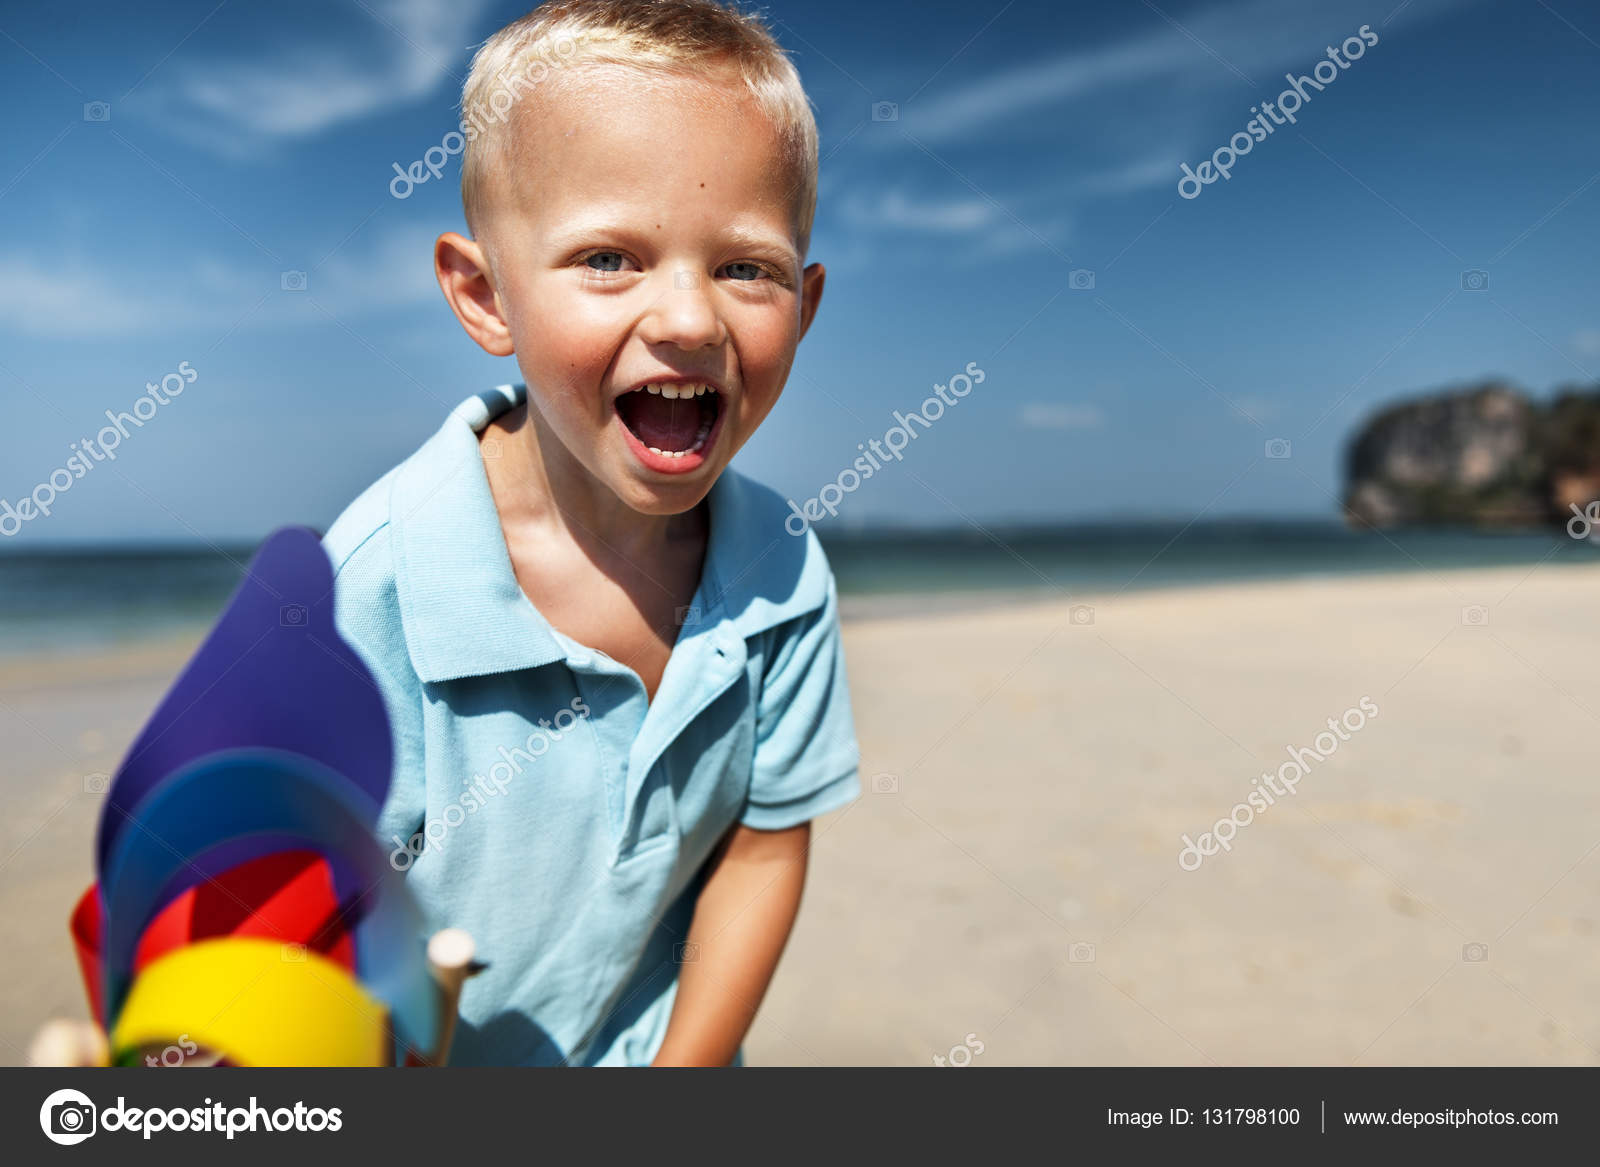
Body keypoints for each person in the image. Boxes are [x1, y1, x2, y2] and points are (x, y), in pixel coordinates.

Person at [322, 0, 860, 1066]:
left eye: (744, 268)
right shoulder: (375, 586)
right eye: (610, 258)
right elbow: (317, 917)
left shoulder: (781, 570)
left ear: (802, 307)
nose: (691, 320)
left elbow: (760, 847)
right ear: (485, 297)